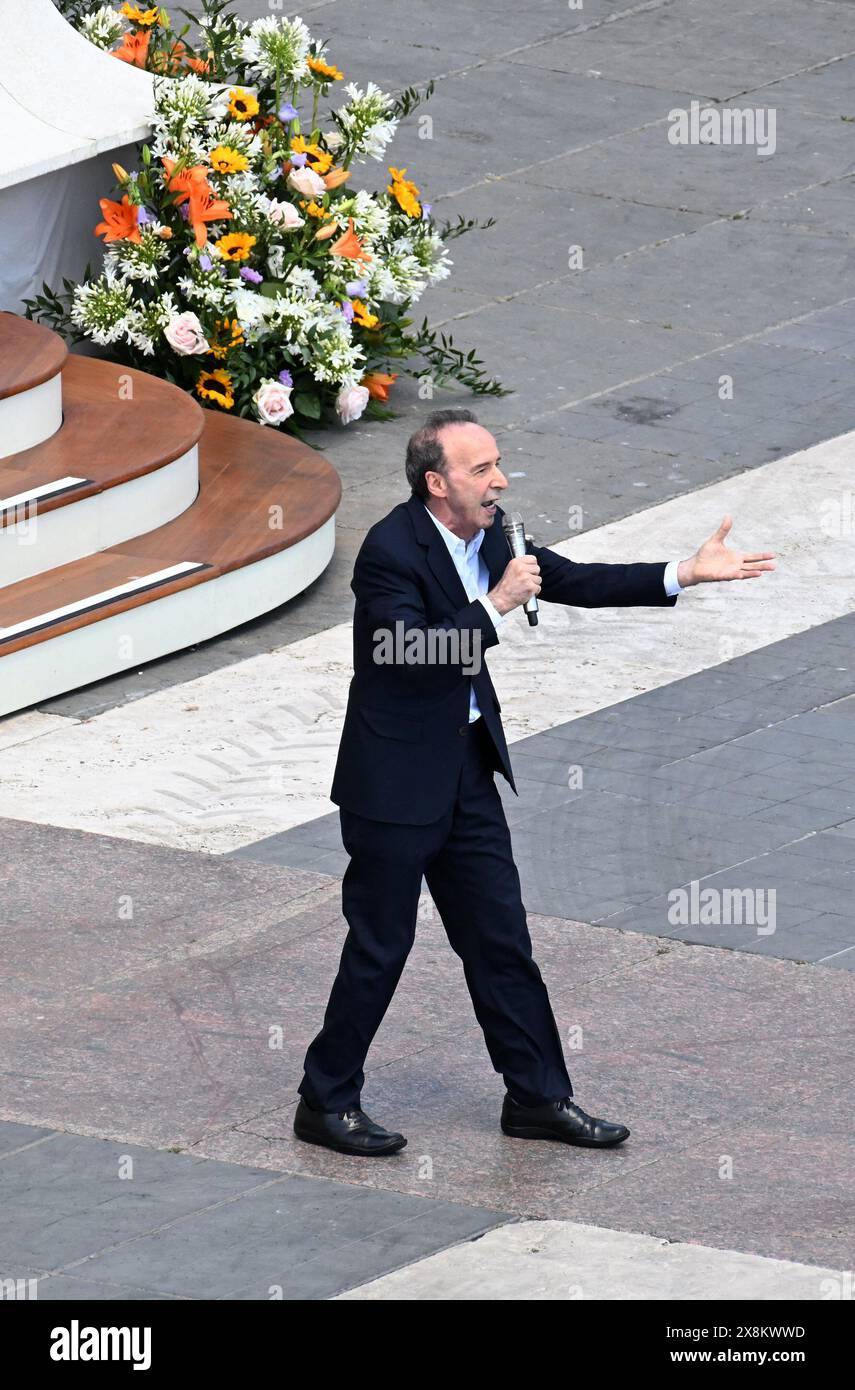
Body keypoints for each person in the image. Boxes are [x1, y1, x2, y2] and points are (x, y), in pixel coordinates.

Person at [294, 408, 776, 1157]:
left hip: (464, 768)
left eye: (497, 464)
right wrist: (495, 606)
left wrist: (681, 573)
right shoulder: (391, 551)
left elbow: (574, 579)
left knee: (500, 939)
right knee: (381, 944)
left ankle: (537, 1098)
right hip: (392, 785)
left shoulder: (490, 533)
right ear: (436, 481)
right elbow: (400, 652)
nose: (500, 480)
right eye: (482, 469)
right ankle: (324, 1102)